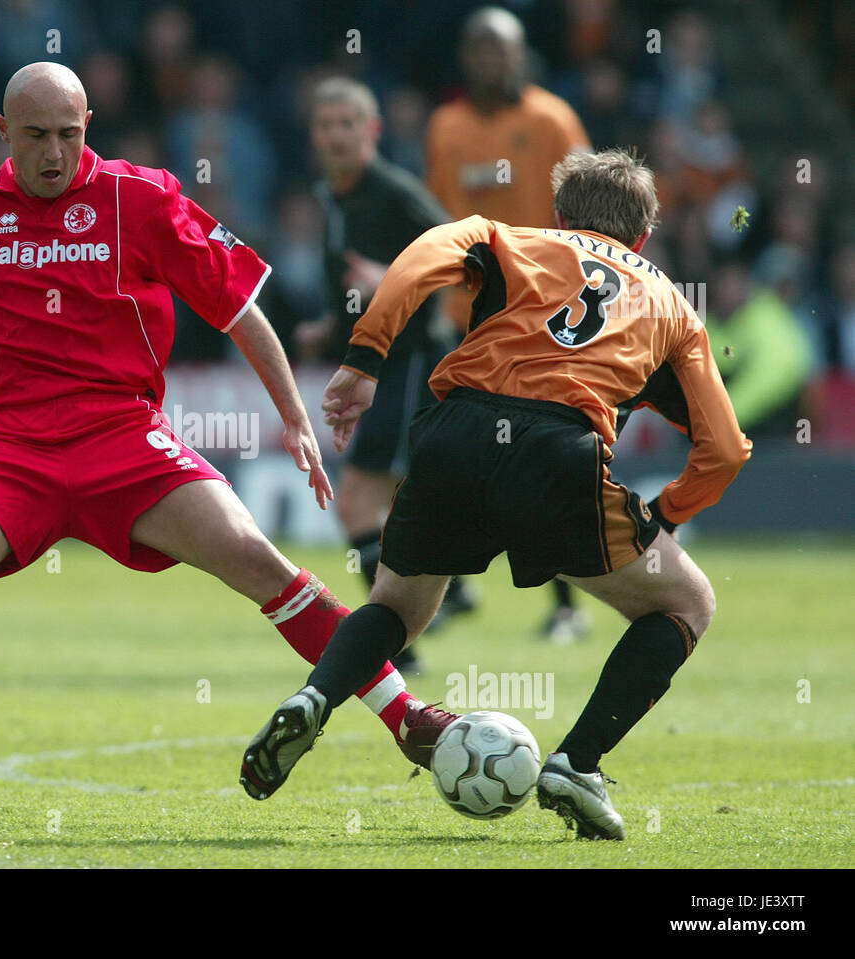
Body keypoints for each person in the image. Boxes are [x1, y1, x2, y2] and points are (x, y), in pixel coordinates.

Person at [0, 62, 455, 823]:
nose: (55, 152)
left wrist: (295, 416)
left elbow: (238, 307)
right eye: (38, 135)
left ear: (89, 128)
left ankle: (407, 717)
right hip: (9, 440)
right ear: (3, 133)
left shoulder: (140, 198)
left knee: (255, 556)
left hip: (123, 434)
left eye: (70, 134)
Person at [239, 149, 752, 840]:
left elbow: (422, 255)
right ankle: (577, 761)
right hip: (560, 454)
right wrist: (664, 515)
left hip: (454, 429)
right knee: (689, 601)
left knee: (395, 606)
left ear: (561, 215)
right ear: (642, 238)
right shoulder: (672, 305)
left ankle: (315, 696)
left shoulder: (511, 237)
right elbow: (725, 449)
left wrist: (365, 358)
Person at [426, 5, 594, 642]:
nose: (489, 59)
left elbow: (589, 209)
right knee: (449, 453)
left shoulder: (552, 119)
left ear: (521, 55)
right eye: (478, 49)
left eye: (501, 48)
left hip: (540, 316)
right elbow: (438, 213)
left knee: (542, 457)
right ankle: (454, 586)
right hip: (462, 316)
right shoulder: (445, 126)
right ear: (466, 58)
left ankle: (567, 605)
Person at [297, 78, 471, 672]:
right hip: (376, 362)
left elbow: (464, 251)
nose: (336, 134)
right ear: (314, 135)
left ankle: (400, 642)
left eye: (348, 123)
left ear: (371, 131)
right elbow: (351, 285)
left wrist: (391, 276)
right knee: (403, 499)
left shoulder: (395, 193)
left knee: (355, 502)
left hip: (410, 360)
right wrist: (330, 324)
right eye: (326, 124)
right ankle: (446, 595)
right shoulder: (334, 199)